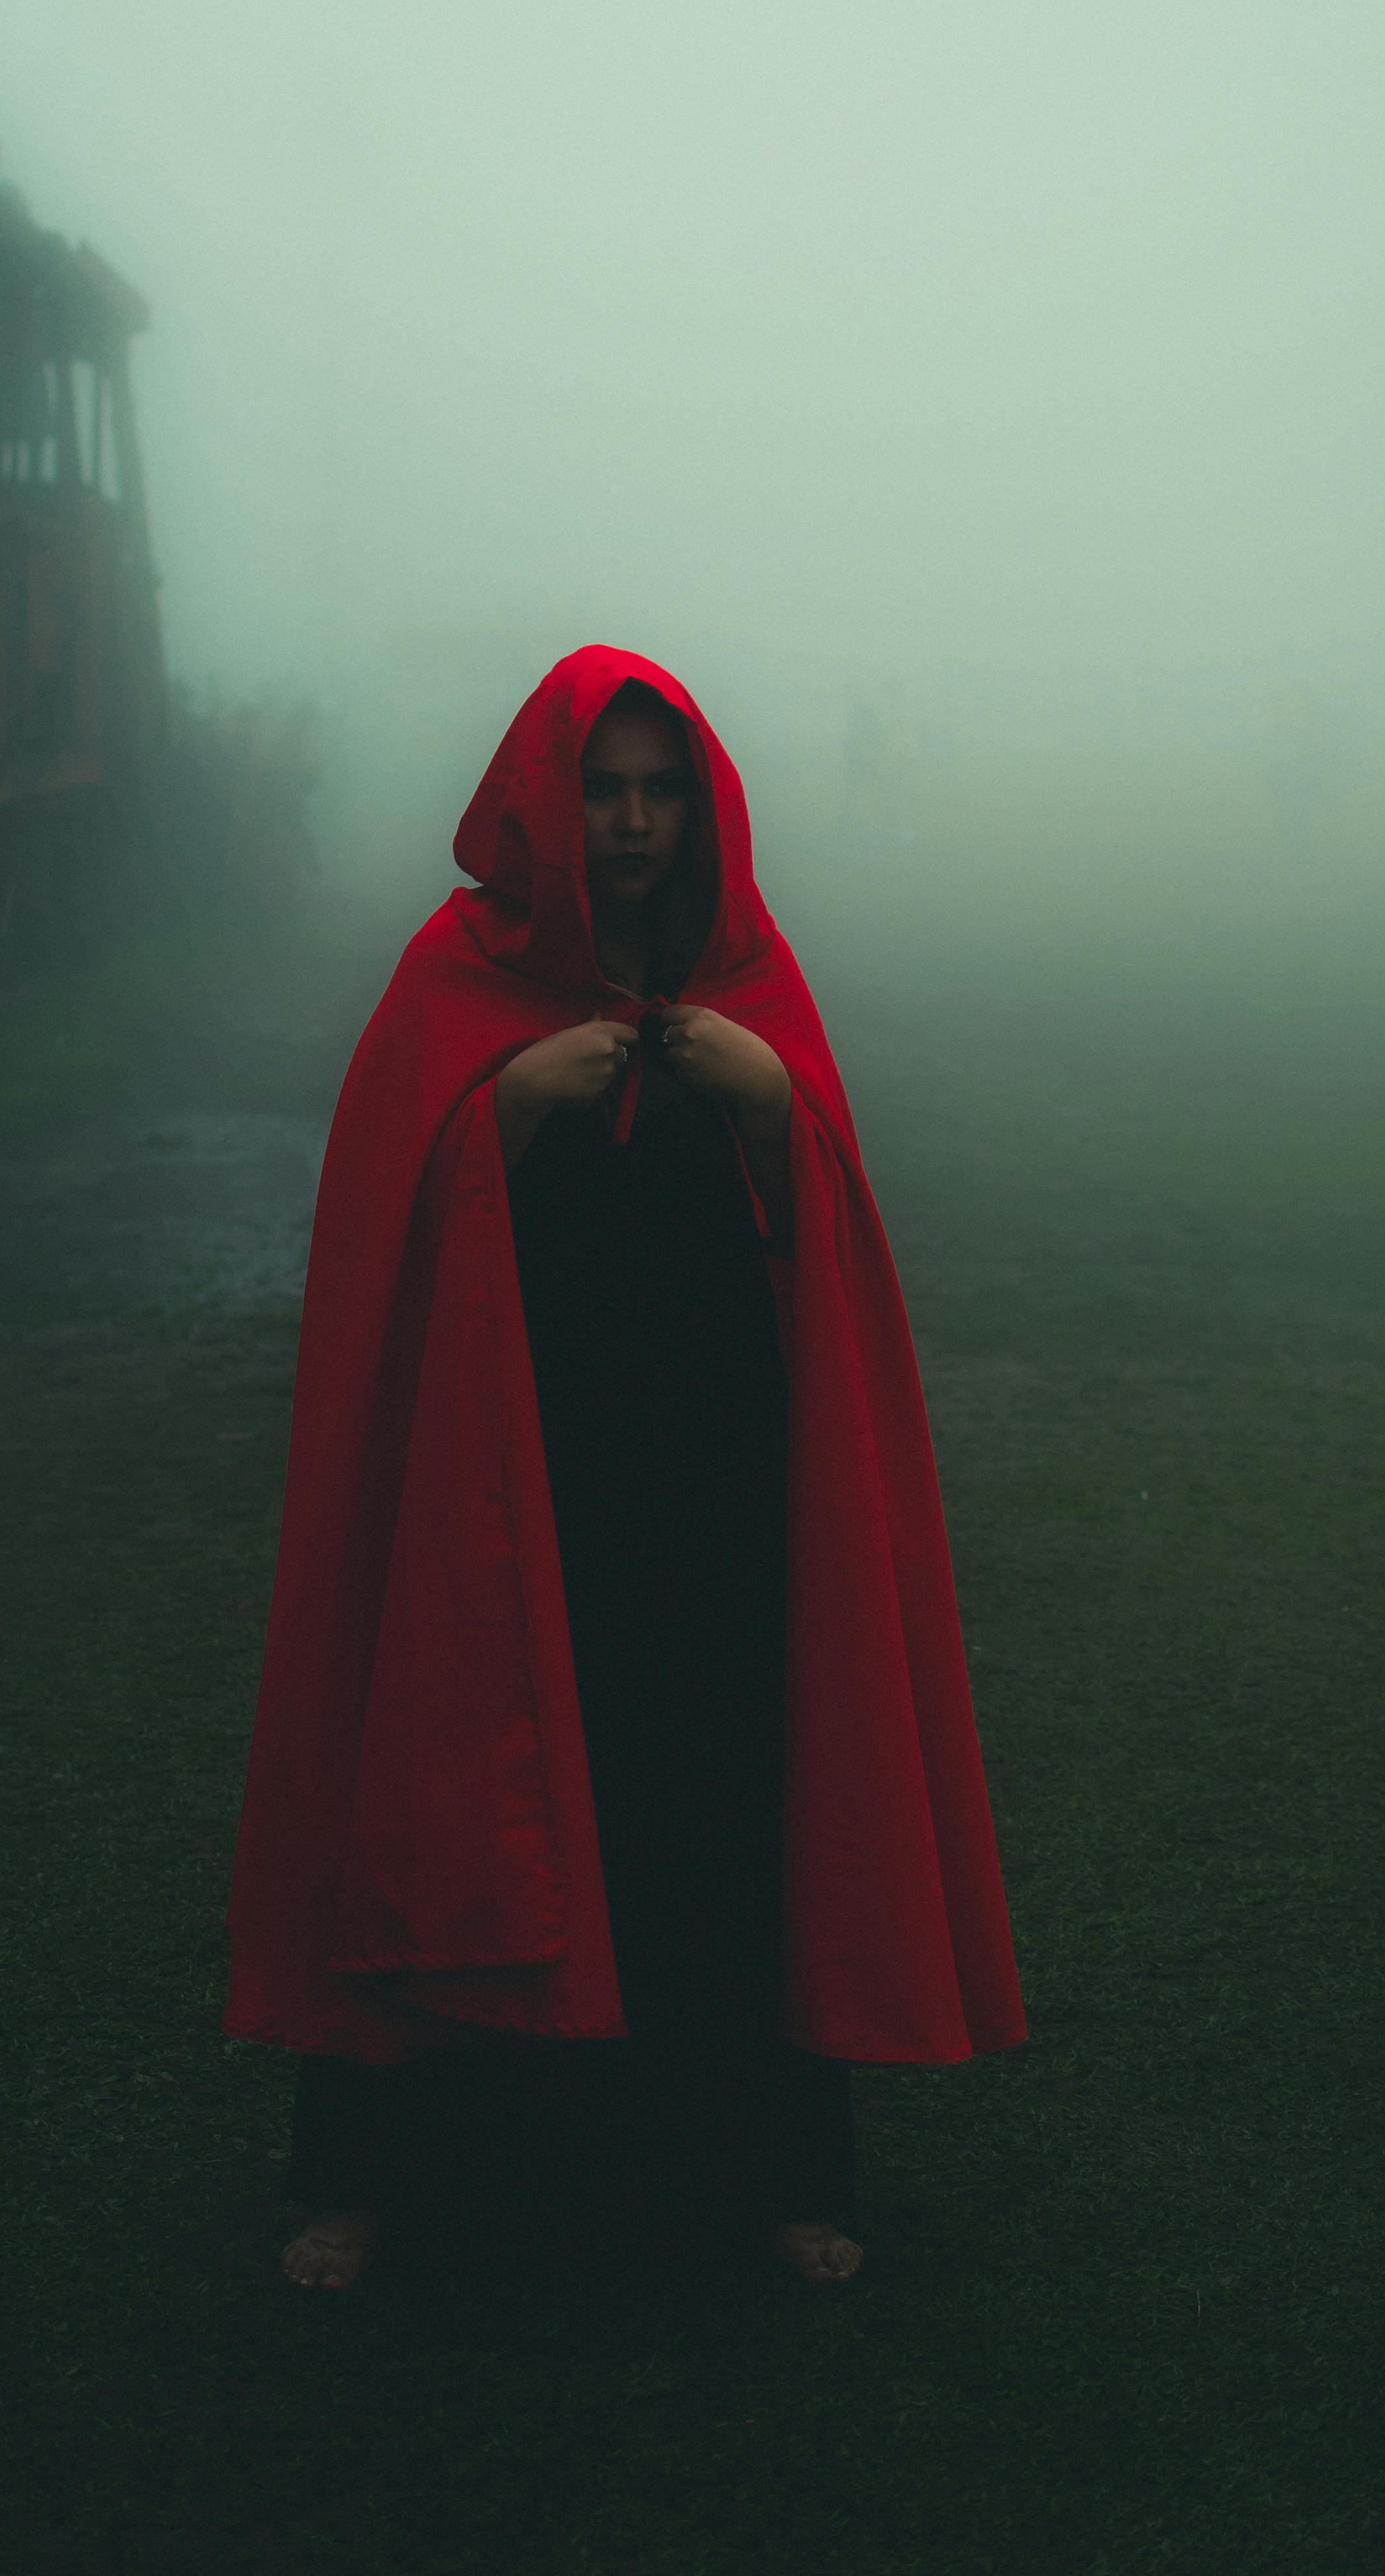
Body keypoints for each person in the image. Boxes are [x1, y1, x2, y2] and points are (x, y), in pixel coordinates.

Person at [225, 647, 1024, 2286]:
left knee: (721, 1796)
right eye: (607, 791)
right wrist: (500, 1116)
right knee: (459, 1771)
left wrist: (768, 1106)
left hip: (712, 1476)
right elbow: (378, 1236)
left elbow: (834, 1263)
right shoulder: (453, 981)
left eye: (663, 791)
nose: (638, 822)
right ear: (549, 799)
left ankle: (767, 2173)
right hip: (502, 1478)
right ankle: (388, 2170)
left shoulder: (748, 974)